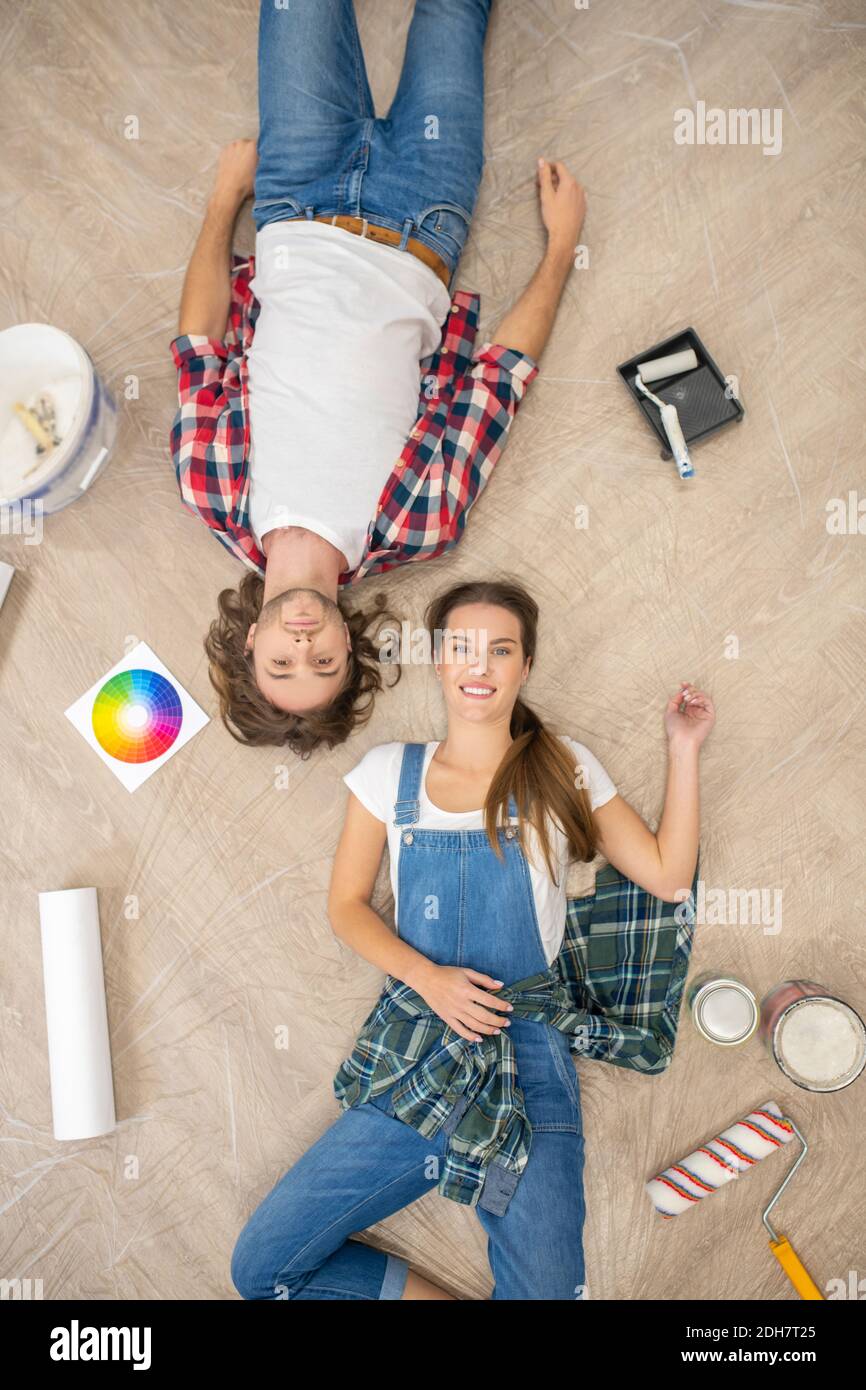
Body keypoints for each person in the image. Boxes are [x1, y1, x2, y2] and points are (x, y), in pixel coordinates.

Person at [229, 579, 716, 1300]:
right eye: (461, 647)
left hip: (529, 1066)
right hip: (420, 1059)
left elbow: (671, 877)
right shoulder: (388, 773)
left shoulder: (563, 766)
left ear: (525, 666)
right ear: (438, 661)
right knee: (262, 1272)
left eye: (501, 649)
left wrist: (684, 750)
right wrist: (427, 978)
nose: (479, 665)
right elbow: (347, 906)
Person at [170, 0, 586, 755]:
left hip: (295, 189)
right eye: (322, 663)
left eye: (281, 660)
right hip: (425, 215)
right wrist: (561, 249)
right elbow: (499, 381)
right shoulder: (420, 524)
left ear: (250, 637)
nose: (303, 642)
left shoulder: (210, 491)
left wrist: (223, 200)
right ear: (351, 647)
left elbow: (198, 343)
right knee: (455, 13)